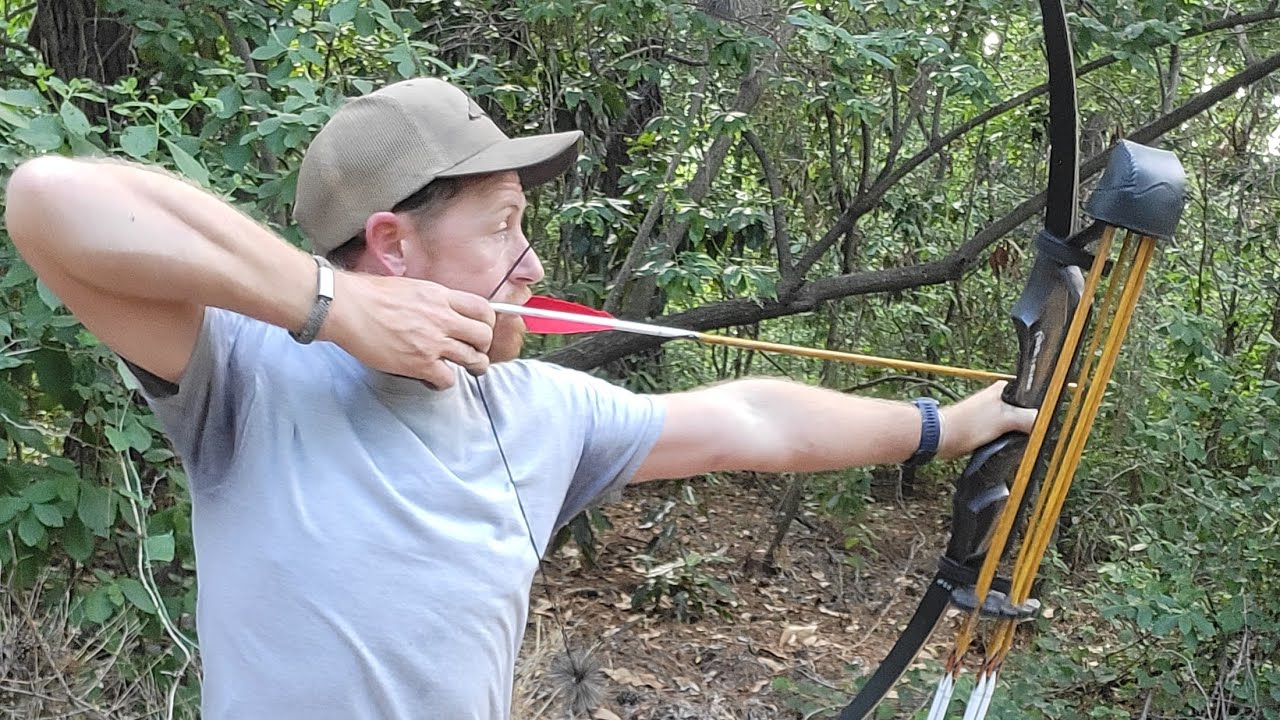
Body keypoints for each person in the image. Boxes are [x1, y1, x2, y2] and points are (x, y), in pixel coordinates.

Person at [4, 77, 1035, 720]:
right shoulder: (248, 372)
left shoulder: (535, 408)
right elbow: (49, 197)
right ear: (392, 245)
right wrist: (334, 307)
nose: (532, 263)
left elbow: (750, 420)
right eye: (501, 226)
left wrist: (945, 425)